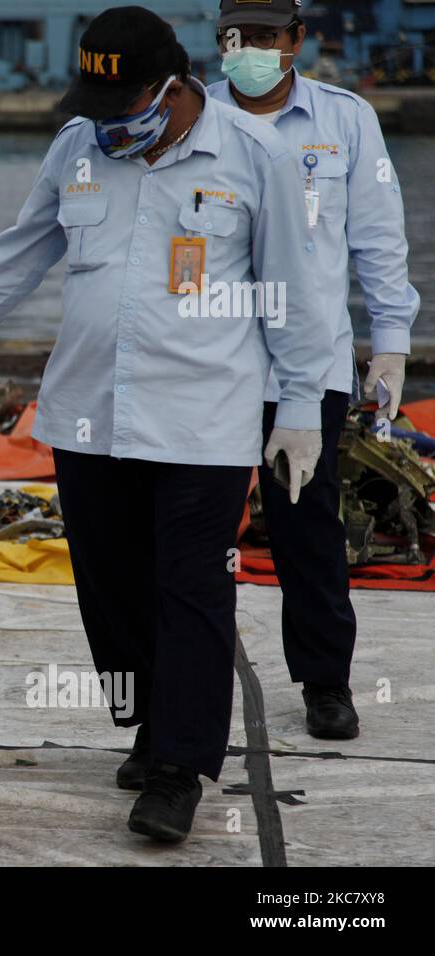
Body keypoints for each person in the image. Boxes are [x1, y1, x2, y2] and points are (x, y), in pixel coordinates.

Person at [0, 5, 336, 843]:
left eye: (120, 103)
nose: (105, 121)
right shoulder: (78, 148)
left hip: (203, 417)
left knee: (191, 588)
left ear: (172, 87)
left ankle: (179, 768)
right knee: (110, 588)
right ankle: (147, 726)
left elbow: (296, 291)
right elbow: (19, 251)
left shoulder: (256, 158)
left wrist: (302, 408)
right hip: (89, 414)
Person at [208, 0, 419, 741]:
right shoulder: (194, 120)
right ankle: (183, 697)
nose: (252, 49)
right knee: (195, 537)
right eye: (239, 37)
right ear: (219, 41)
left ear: (297, 41)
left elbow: (377, 239)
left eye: (268, 36)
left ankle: (326, 683)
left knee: (308, 529)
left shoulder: (346, 120)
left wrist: (390, 345)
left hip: (310, 370)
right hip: (208, 369)